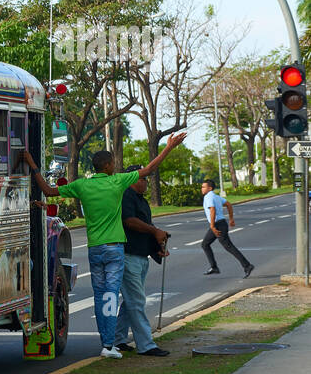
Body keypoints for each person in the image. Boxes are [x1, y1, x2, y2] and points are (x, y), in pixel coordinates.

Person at [21, 132, 187, 359]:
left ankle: (109, 342)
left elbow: (49, 191)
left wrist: (33, 166)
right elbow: (148, 169)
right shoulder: (117, 181)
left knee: (101, 297)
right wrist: (169, 146)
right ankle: (109, 345)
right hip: (114, 249)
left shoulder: (81, 185)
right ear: (108, 166)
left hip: (94, 249)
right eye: (113, 163)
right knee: (111, 296)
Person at [114, 170, 170, 356]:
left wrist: (158, 246)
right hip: (129, 255)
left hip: (140, 256)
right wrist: (155, 231)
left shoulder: (140, 199)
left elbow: (147, 226)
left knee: (130, 301)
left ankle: (118, 339)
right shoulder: (126, 196)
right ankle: (146, 345)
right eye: (143, 178)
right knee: (136, 300)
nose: (146, 182)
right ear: (132, 179)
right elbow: (130, 221)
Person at [200, 180, 254, 277]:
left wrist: (212, 226)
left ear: (210, 188)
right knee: (205, 244)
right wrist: (231, 219)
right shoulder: (216, 197)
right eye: (202, 187)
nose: (202, 189)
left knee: (228, 246)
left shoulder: (208, 197)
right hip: (221, 224)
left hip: (217, 225)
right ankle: (214, 267)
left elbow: (212, 210)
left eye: (204, 187)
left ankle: (247, 266)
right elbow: (228, 204)